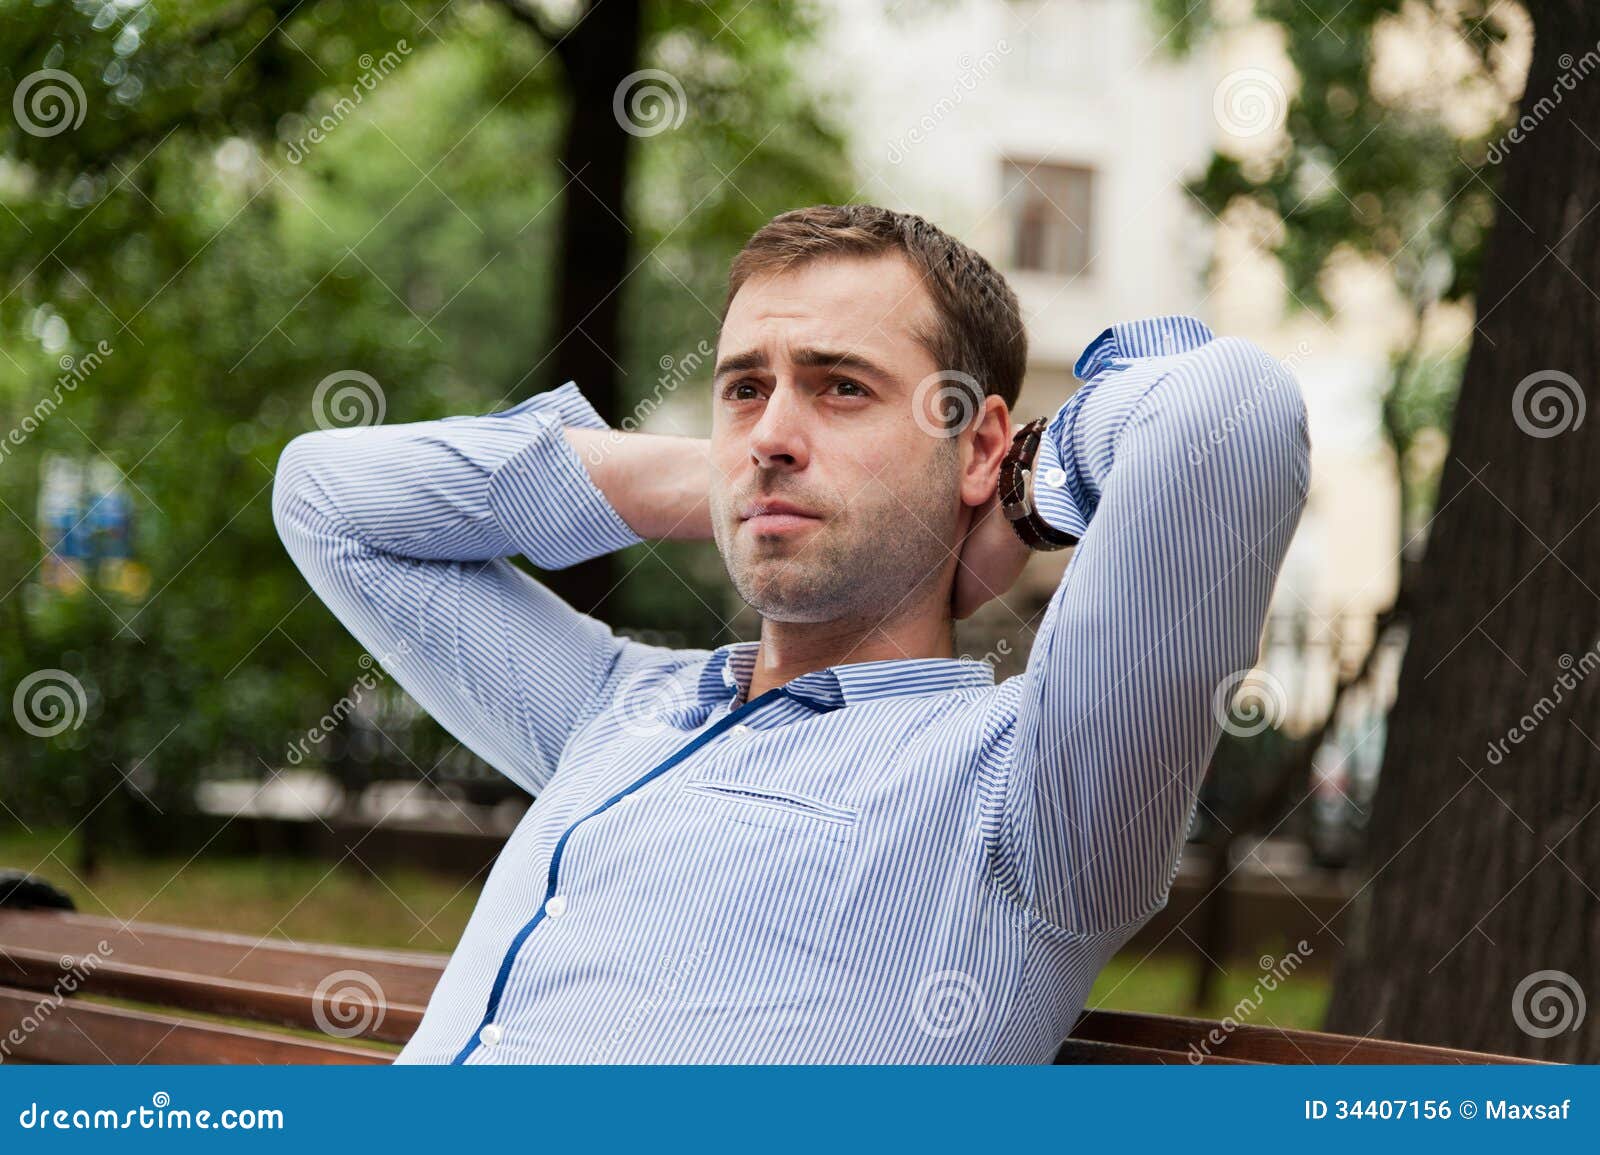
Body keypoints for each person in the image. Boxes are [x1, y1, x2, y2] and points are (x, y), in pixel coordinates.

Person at [272, 204, 1310, 1063]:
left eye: (840, 386)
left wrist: (1022, 494)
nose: (770, 434)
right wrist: (725, 482)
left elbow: (1229, 414)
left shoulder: (1027, 793)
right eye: (744, 390)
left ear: (978, 442)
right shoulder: (613, 705)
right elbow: (326, 499)